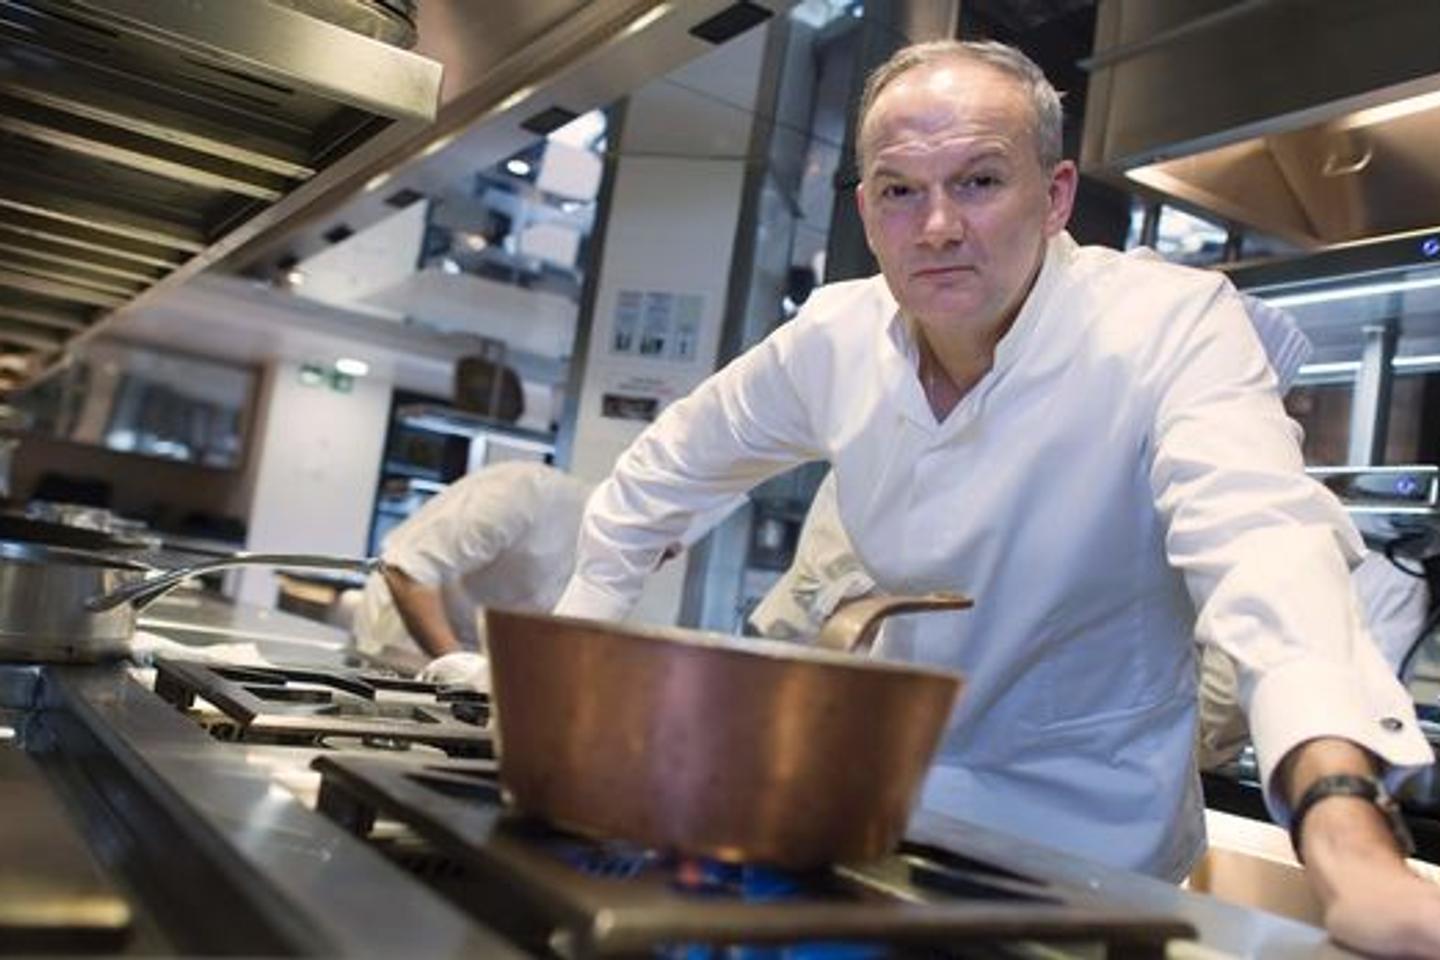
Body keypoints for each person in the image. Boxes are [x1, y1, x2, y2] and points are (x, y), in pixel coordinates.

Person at [553, 38, 1440, 954]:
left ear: (1055, 197)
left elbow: (1267, 551)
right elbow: (660, 474)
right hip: (886, 827)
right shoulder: (834, 340)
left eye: (978, 181)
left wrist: (1347, 836)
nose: (935, 226)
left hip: (1088, 863)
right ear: (866, 211)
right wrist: (567, 694)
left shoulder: (1165, 326)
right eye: (900, 190)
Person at [354, 461, 593, 677]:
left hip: (470, 657)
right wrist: (462, 672)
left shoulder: (603, 569)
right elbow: (407, 572)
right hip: (401, 635)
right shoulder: (527, 490)